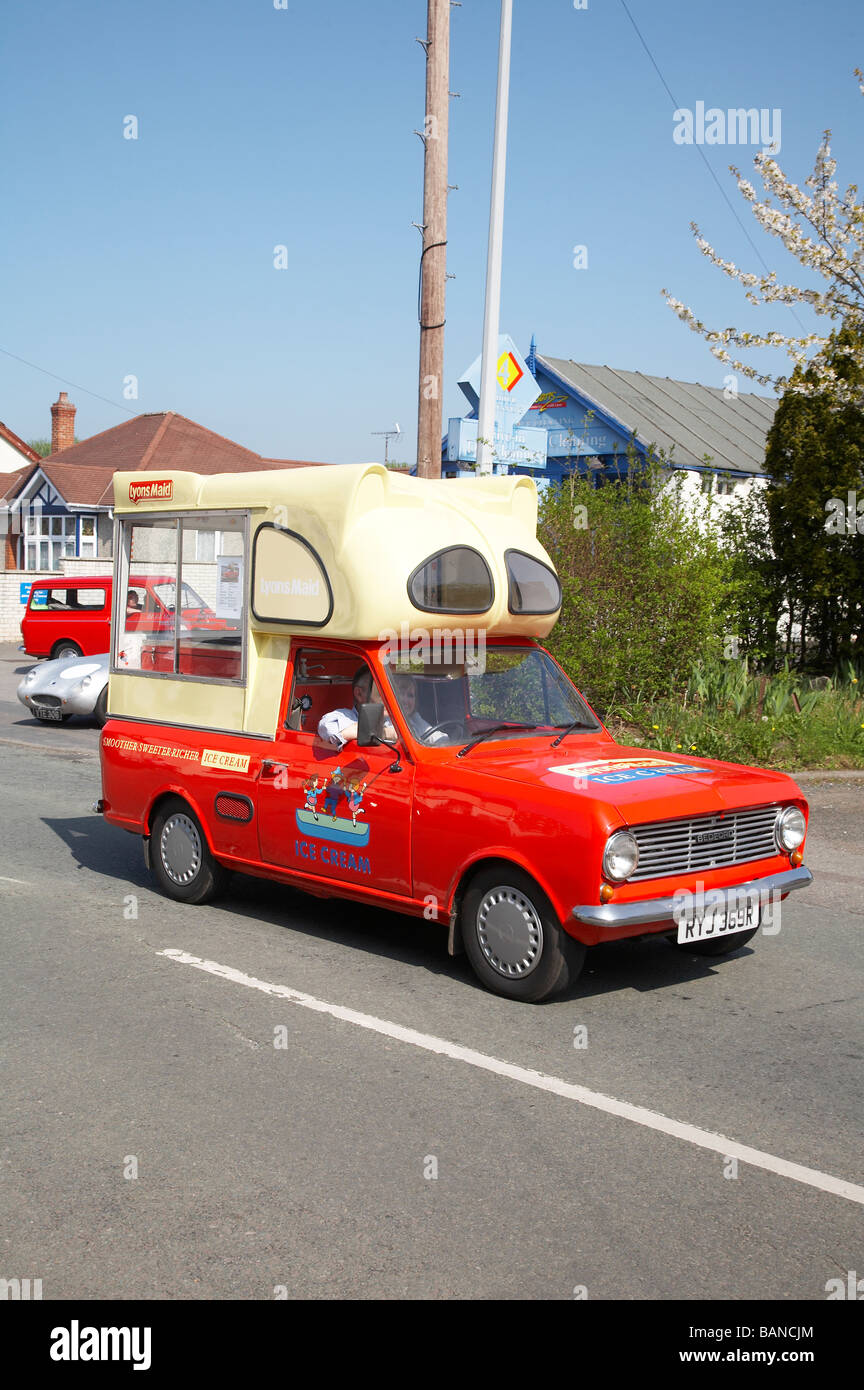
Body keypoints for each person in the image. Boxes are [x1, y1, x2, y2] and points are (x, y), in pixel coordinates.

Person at [318, 666, 396, 750]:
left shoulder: (396, 720)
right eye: (380, 692)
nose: (389, 698)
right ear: (359, 694)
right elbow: (327, 728)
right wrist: (386, 733)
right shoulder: (345, 718)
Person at [391, 673, 449, 744]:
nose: (405, 700)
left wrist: (449, 742)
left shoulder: (414, 718)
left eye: (410, 695)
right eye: (401, 693)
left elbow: (434, 736)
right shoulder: (387, 721)